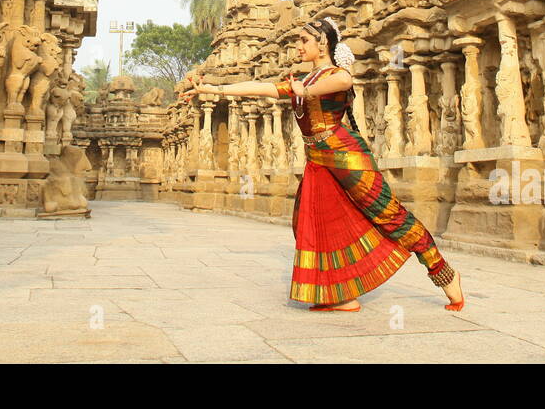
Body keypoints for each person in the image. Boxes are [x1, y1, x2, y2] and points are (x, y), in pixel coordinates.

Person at [183, 17, 465, 312]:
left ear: (323, 44)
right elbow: (262, 87)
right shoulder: (303, 80)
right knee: (316, 224)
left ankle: (444, 273)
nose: (298, 46)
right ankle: (342, 295)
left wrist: (304, 92)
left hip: (346, 156)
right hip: (317, 160)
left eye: (303, 40)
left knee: (390, 215)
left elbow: (344, 81)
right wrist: (213, 91)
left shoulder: (332, 76)